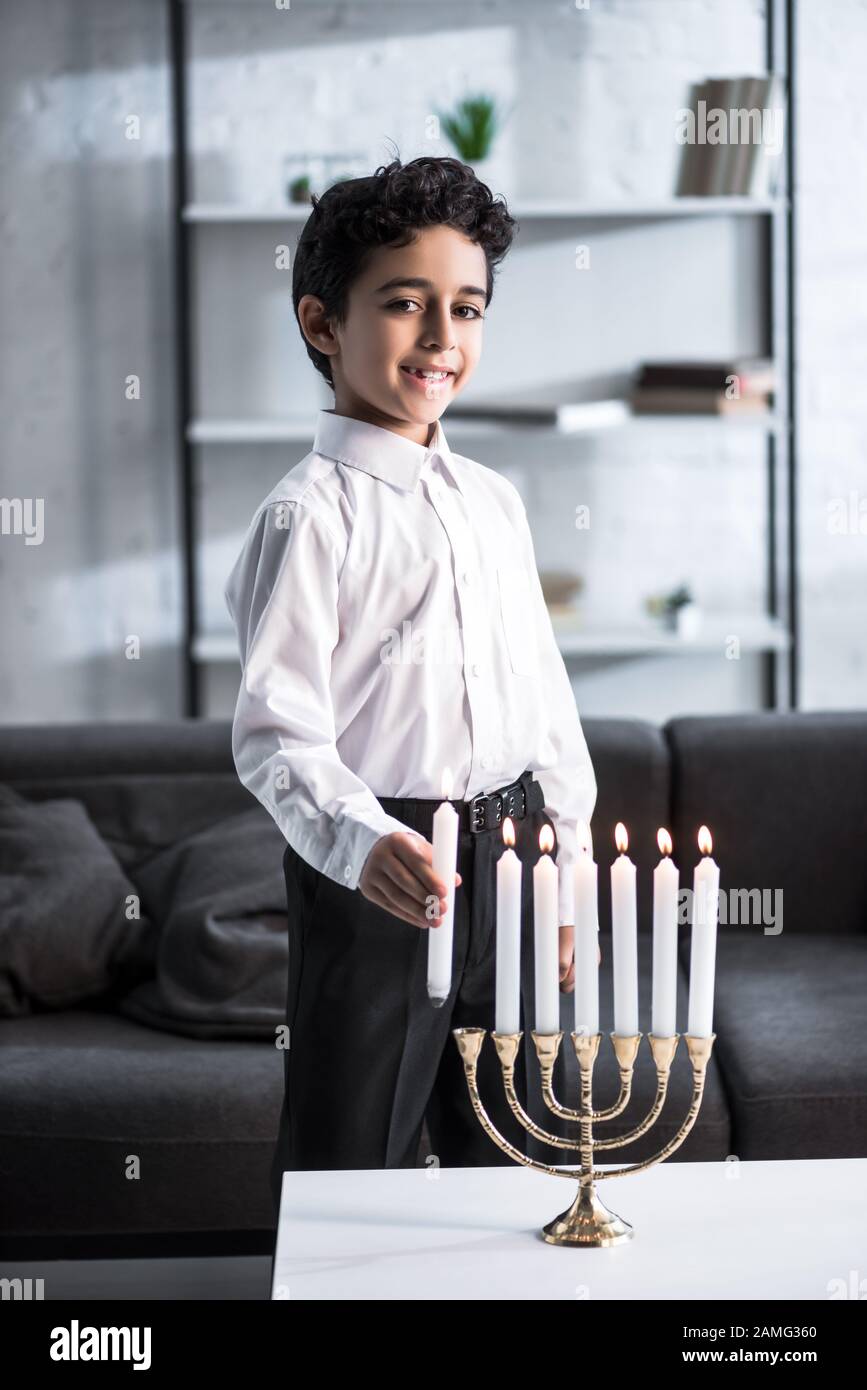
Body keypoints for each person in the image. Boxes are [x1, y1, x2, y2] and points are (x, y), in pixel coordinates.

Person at [223, 156, 599, 1225]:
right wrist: (357, 839)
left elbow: (545, 698)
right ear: (322, 322)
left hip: (514, 860)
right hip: (381, 867)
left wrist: (565, 864)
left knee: (521, 1160)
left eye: (466, 308)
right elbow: (277, 736)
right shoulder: (308, 517)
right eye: (404, 303)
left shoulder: (494, 501)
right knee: (355, 1167)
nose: (442, 338)